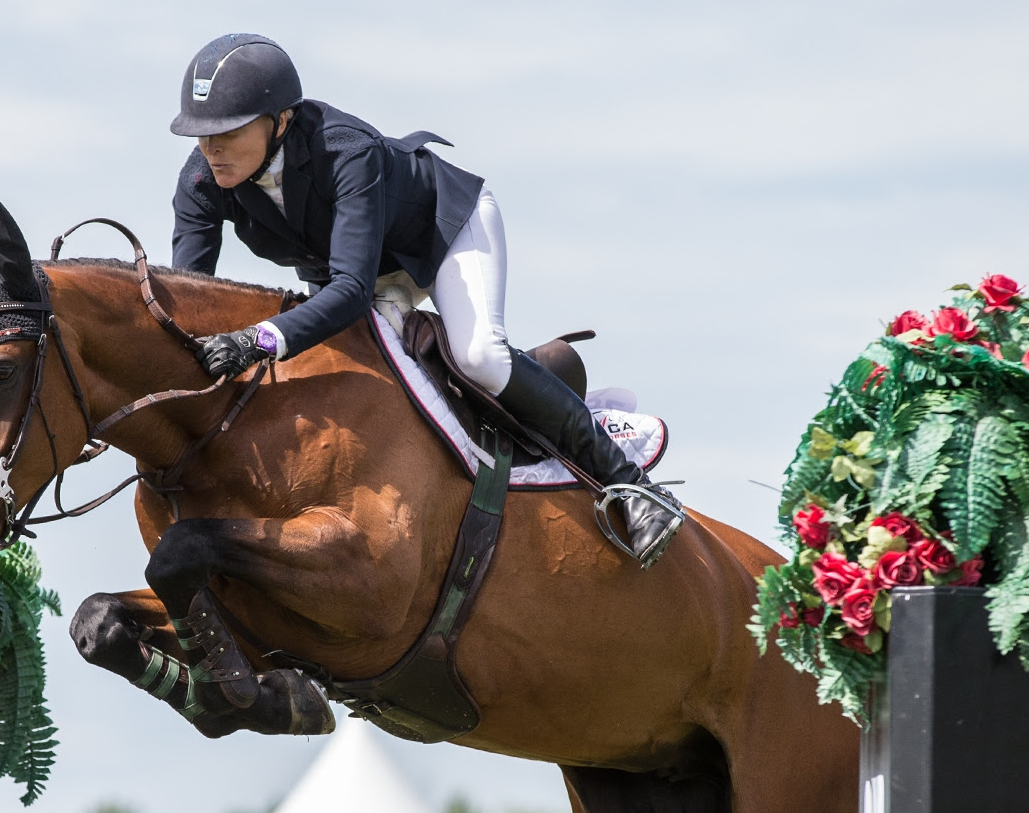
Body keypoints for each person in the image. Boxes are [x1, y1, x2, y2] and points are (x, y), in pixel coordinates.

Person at [168, 33, 683, 569]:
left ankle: (632, 486)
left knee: (480, 356)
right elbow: (189, 299)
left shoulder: (345, 149)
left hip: (441, 232)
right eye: (202, 135)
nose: (211, 148)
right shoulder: (202, 181)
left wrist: (258, 338)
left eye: (227, 131)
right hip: (355, 266)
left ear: (281, 120)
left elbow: (349, 291)